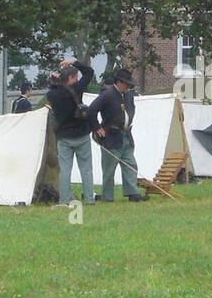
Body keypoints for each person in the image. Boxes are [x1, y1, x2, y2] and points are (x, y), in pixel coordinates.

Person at [89, 67, 147, 202]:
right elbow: (91, 110)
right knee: (109, 170)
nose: (128, 86)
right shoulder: (107, 95)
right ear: (119, 82)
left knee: (130, 164)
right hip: (111, 136)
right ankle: (108, 197)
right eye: (126, 83)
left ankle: (133, 193)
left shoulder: (127, 95)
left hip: (126, 135)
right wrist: (97, 127)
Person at [45, 59, 96, 206]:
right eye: (75, 77)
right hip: (81, 133)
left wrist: (55, 80)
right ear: (71, 78)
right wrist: (75, 62)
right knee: (86, 169)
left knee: (65, 170)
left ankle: (64, 200)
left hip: (64, 135)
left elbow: (52, 89)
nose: (77, 79)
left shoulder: (52, 95)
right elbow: (89, 72)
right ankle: (89, 199)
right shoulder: (77, 88)